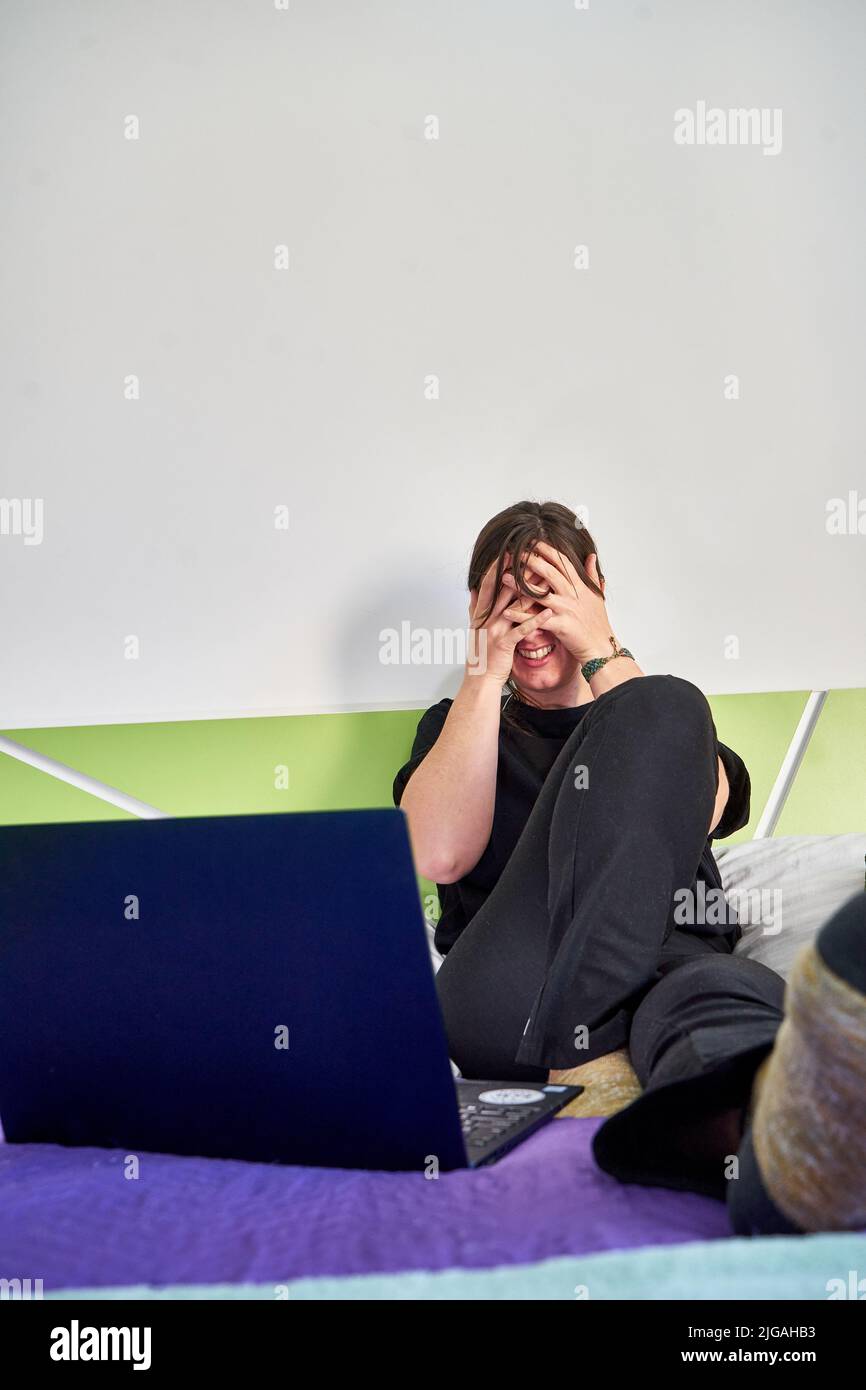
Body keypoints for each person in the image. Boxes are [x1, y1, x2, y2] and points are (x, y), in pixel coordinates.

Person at [394, 499, 866, 1235]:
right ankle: (583, 1036)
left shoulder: (665, 723)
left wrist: (602, 648)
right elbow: (437, 853)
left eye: (544, 598)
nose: (528, 625)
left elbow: (701, 798)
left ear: (593, 587)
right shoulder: (458, 728)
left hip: (673, 964)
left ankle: (761, 1136)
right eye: (505, 605)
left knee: (724, 1001)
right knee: (666, 705)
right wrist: (481, 681)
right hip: (516, 994)